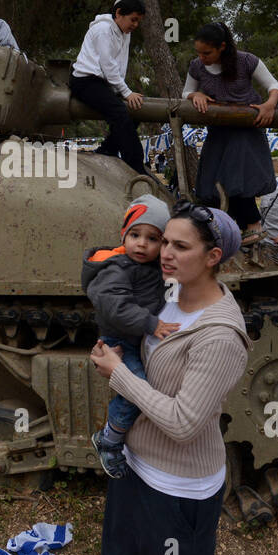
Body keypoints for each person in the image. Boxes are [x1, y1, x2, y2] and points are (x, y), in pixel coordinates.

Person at [90, 200, 252, 555]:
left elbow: (184, 424)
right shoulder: (169, 293)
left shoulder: (219, 336)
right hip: (138, 465)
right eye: (165, 241)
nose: (165, 252)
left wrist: (118, 375)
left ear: (213, 257)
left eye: (180, 246)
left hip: (177, 485)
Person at [84, 195, 177, 478]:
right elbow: (115, 306)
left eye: (153, 238)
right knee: (137, 391)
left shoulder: (148, 267)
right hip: (120, 340)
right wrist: (151, 323)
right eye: (135, 234)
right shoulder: (117, 267)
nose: (141, 243)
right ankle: (109, 440)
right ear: (123, 234)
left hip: (135, 338)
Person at [183, 22, 278, 246]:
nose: (202, 57)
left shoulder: (246, 61)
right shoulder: (197, 66)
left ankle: (254, 227)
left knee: (237, 180)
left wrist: (270, 105)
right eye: (198, 52)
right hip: (219, 131)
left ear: (222, 47)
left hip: (245, 130)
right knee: (212, 184)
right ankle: (225, 230)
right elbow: (186, 90)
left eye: (207, 52)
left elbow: (274, 85)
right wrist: (194, 95)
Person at [69, 0, 149, 175]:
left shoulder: (123, 32)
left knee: (135, 112)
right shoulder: (103, 30)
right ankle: (136, 167)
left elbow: (120, 64)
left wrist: (121, 90)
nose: (135, 25)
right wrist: (126, 92)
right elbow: (107, 64)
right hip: (85, 81)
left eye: (138, 21)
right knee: (120, 114)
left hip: (104, 82)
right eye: (133, 20)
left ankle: (107, 149)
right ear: (119, 13)